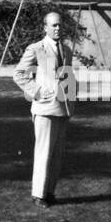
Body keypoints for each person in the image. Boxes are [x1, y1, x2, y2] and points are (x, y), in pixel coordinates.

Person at [12, 12, 75, 208]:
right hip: (44, 109)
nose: (58, 29)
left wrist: (71, 103)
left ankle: (49, 192)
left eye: (60, 26)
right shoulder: (36, 48)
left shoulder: (66, 50)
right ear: (45, 27)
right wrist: (36, 92)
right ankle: (38, 194)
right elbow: (19, 74)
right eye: (54, 25)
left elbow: (69, 77)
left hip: (62, 109)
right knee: (44, 153)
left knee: (57, 155)